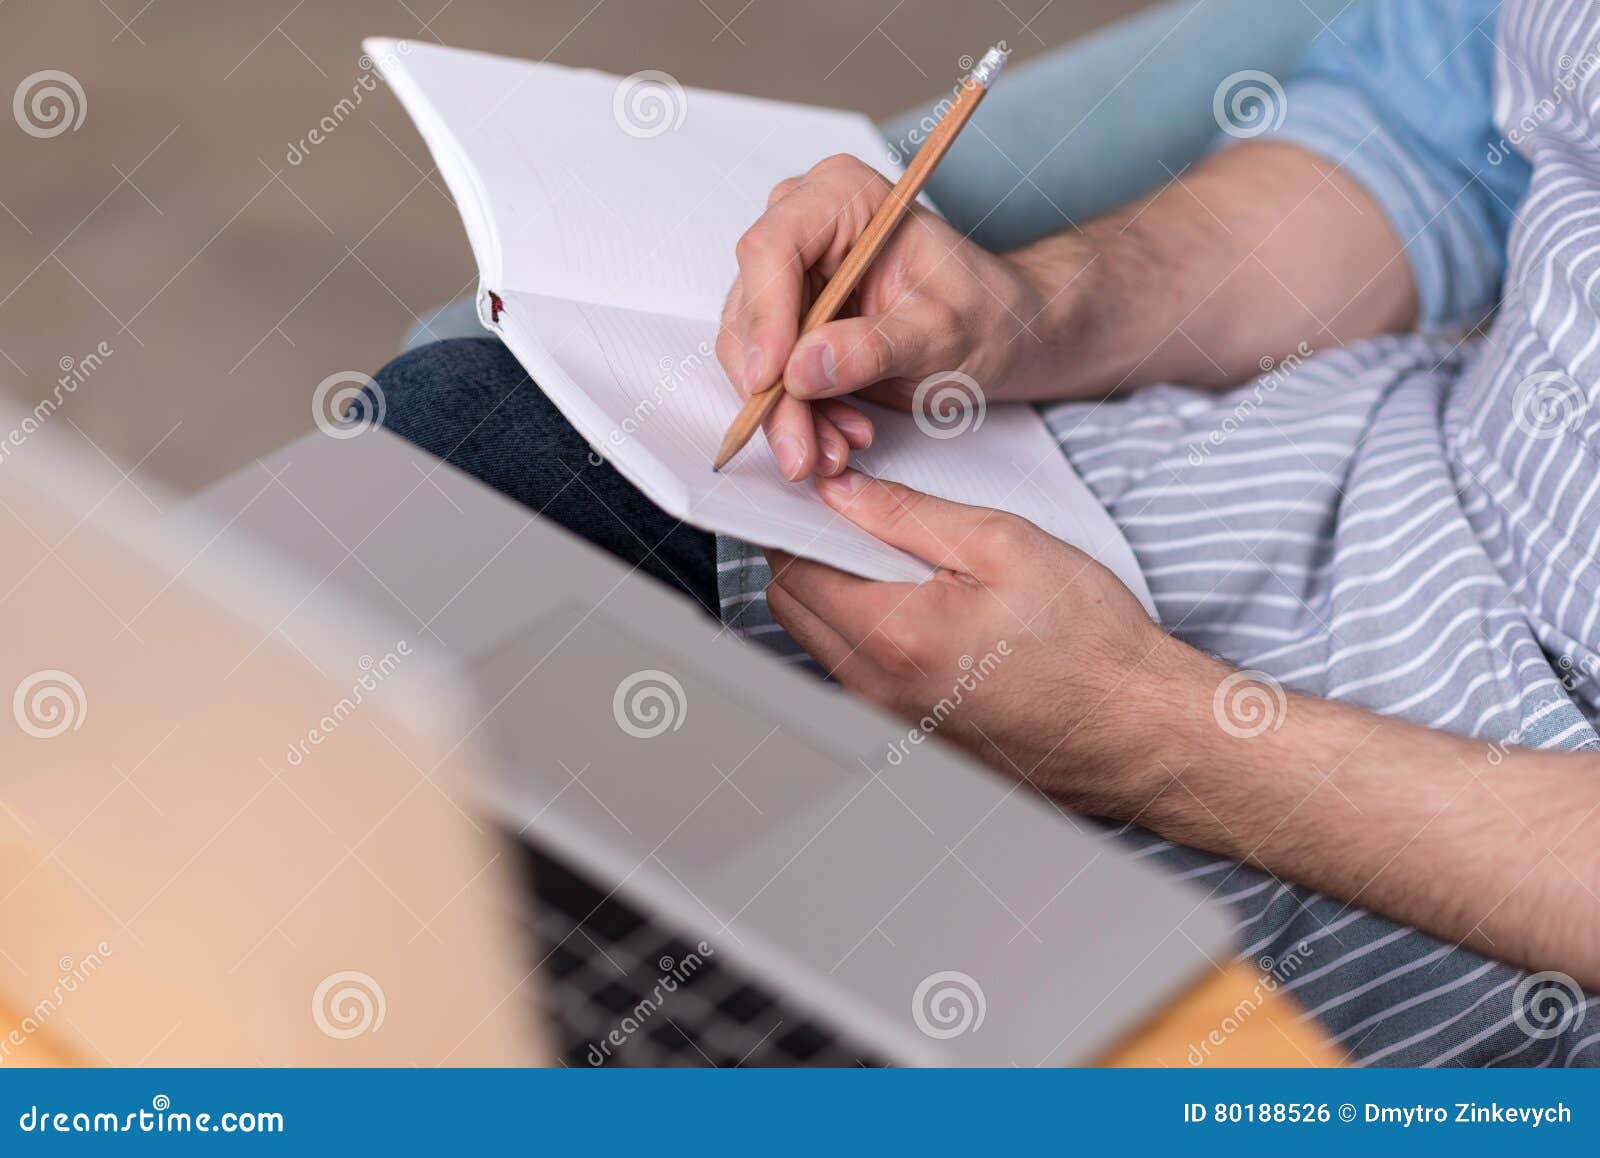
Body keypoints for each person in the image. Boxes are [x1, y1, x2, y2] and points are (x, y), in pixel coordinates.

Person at [371, 0, 1600, 1065]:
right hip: (1312, 482)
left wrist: (1154, 737)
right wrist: (1033, 308)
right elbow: (1428, 142)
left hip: (1465, 934)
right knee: (435, 491)